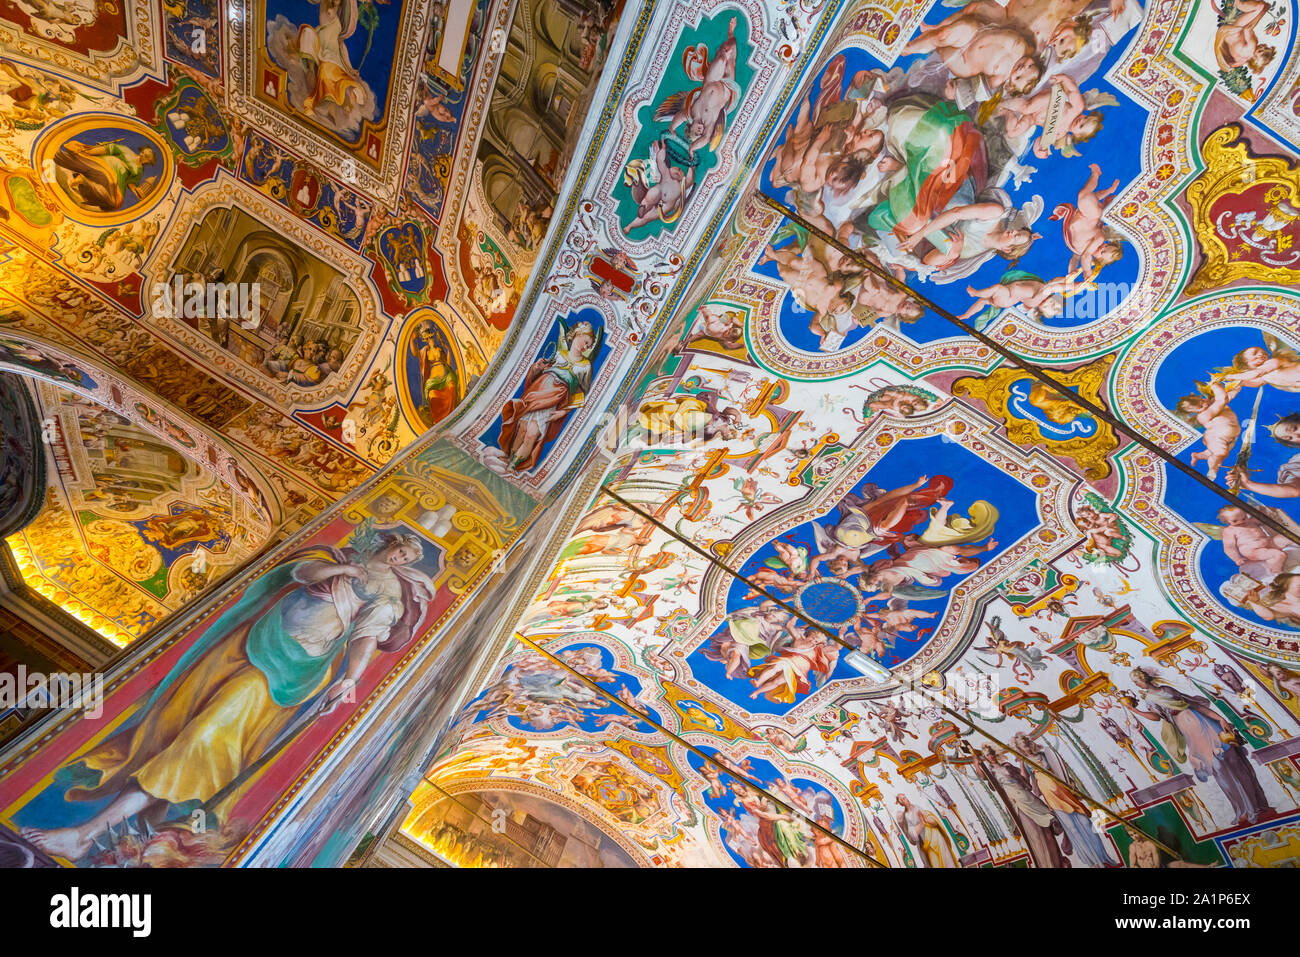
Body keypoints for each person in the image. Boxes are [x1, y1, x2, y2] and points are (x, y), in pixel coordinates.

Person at [19, 532, 436, 862]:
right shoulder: (347, 556)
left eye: (406, 558)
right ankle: (140, 830)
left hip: (287, 675)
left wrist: (351, 679)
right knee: (173, 727)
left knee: (203, 737)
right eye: (398, 549)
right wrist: (341, 573)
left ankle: (84, 834)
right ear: (389, 544)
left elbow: (365, 637)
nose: (398, 558)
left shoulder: (392, 595)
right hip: (245, 643)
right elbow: (302, 575)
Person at [1125, 667, 1272, 826]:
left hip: (1205, 723)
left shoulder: (1166, 690)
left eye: (1136, 681)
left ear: (1143, 679)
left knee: (1234, 762)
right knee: (1219, 769)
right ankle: (1244, 810)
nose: (1136, 684)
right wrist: (1134, 710)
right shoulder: (1150, 699)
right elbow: (1157, 718)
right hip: (1190, 732)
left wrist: (1221, 719)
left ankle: (1257, 806)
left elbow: (1195, 706)